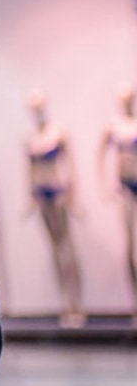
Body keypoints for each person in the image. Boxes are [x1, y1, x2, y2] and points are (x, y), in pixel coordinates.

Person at [24, 89, 83, 328]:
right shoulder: (30, 139)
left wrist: (72, 194)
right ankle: (65, 305)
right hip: (42, 194)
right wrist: (29, 198)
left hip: (59, 192)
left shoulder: (58, 134)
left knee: (66, 246)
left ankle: (76, 303)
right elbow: (28, 171)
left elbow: (69, 165)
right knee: (55, 249)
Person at [95, 83, 137, 316]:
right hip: (126, 187)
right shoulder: (114, 126)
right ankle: (135, 302)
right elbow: (100, 156)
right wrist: (105, 186)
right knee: (129, 248)